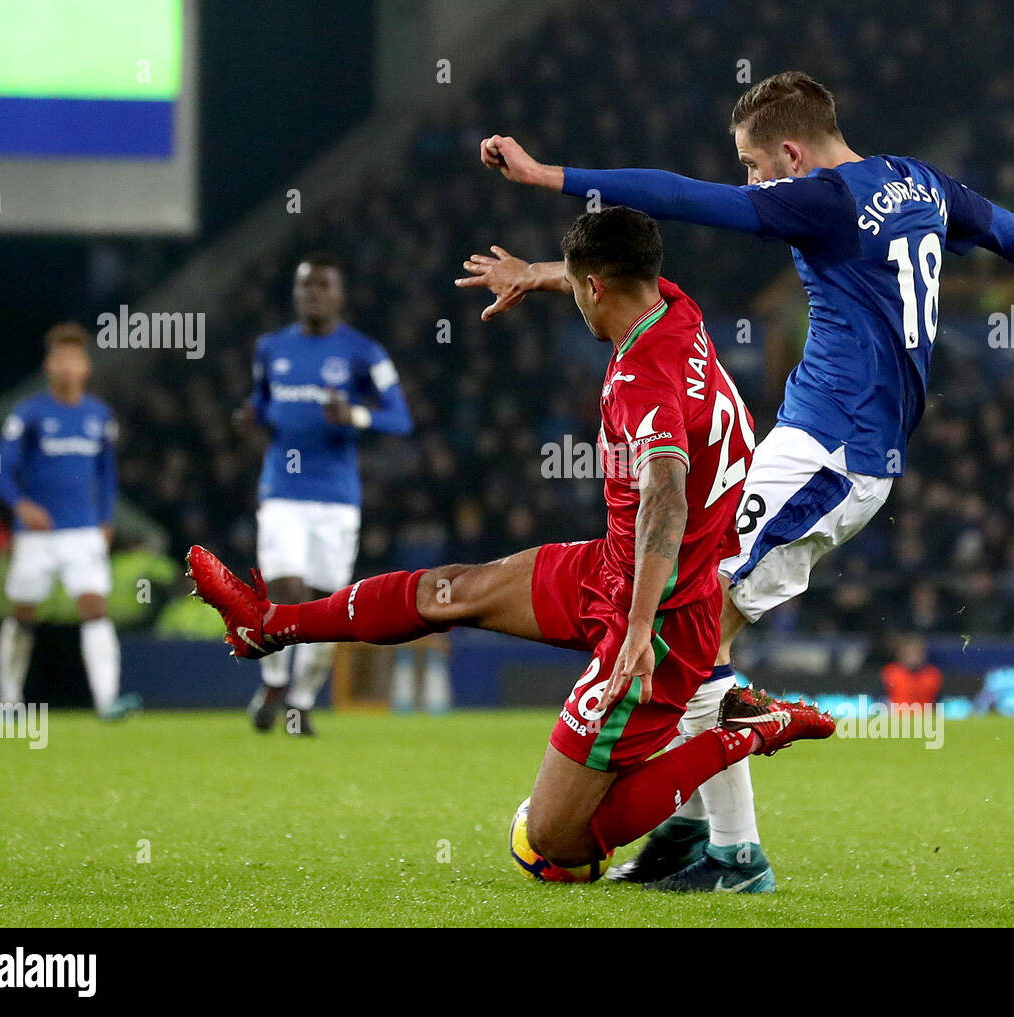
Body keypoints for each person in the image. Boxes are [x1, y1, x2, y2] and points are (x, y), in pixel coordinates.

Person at [473, 69, 1014, 887]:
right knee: (695, 624)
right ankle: (693, 835)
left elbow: (681, 195)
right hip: (812, 442)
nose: (750, 181)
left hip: (835, 456)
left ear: (791, 151)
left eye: (752, 163)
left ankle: (729, 853)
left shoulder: (822, 198)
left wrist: (550, 175)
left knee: (693, 622)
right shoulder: (919, 181)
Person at [190, 208, 834, 880]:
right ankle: (269, 624)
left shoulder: (646, 379)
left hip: (661, 611)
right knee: (453, 590)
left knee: (551, 845)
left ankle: (749, 729)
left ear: (596, 290)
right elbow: (598, 275)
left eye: (577, 284)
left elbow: (665, 497)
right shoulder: (675, 307)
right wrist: (534, 275)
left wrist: (640, 626)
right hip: (610, 565)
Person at [233, 252, 413, 735]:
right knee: (284, 588)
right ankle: (273, 679)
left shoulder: (363, 352)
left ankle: (300, 700)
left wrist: (354, 415)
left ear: (339, 294)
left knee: (327, 606)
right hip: (281, 491)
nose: (313, 293)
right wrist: (250, 420)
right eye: (305, 285)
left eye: (323, 286)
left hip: (335, 499)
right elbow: (262, 407)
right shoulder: (271, 348)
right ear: (295, 293)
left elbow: (400, 418)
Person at [0, 322, 131, 719]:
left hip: (83, 530)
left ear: (86, 366)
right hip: (37, 534)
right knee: (24, 612)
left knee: (94, 606)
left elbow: (106, 474)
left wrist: (105, 518)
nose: (68, 366)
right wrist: (19, 504)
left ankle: (108, 700)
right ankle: (9, 699)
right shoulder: (29, 413)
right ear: (49, 365)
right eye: (60, 358)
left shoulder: (98, 415)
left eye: (75, 358)